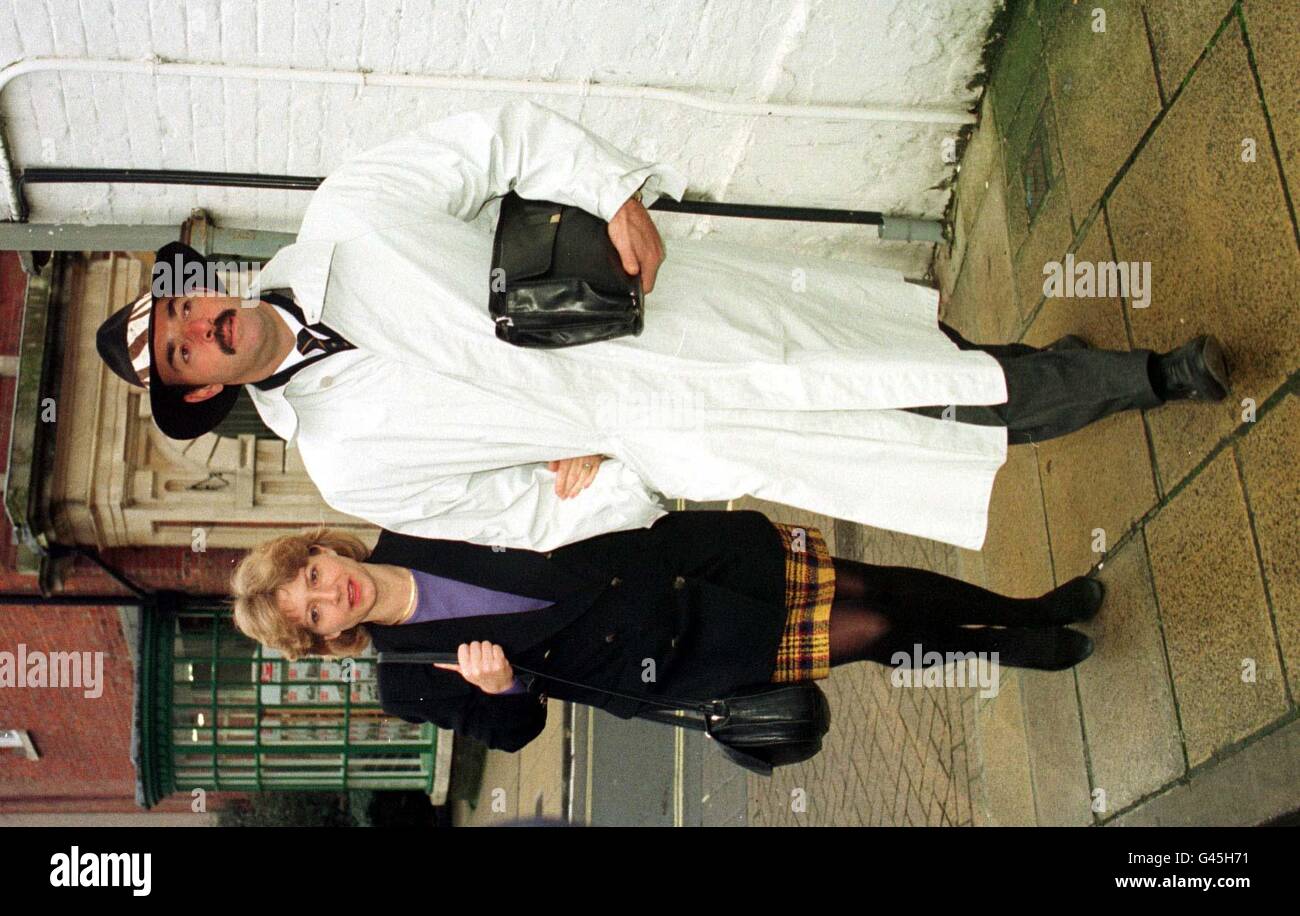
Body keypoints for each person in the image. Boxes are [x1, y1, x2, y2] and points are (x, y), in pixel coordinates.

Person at [96, 100, 1231, 553]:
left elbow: (494, 142)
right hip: (671, 427)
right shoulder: (349, 464)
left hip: (670, 306)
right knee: (920, 426)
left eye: (185, 299)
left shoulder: (347, 216)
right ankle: (1143, 377)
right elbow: (515, 518)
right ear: (202, 392)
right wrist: (613, 482)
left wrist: (611, 193)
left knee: (913, 372)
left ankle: (1088, 373)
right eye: (185, 345)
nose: (200, 318)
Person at [230, 510, 1105, 752]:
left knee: (869, 582)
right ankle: (1012, 648)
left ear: (316, 548)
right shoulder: (406, 675)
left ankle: (1030, 606)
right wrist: (500, 689)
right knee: (871, 631)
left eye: (311, 575)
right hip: (679, 653)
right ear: (321, 637)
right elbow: (515, 730)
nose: (329, 593)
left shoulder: (411, 518)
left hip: (671, 563)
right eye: (314, 614)